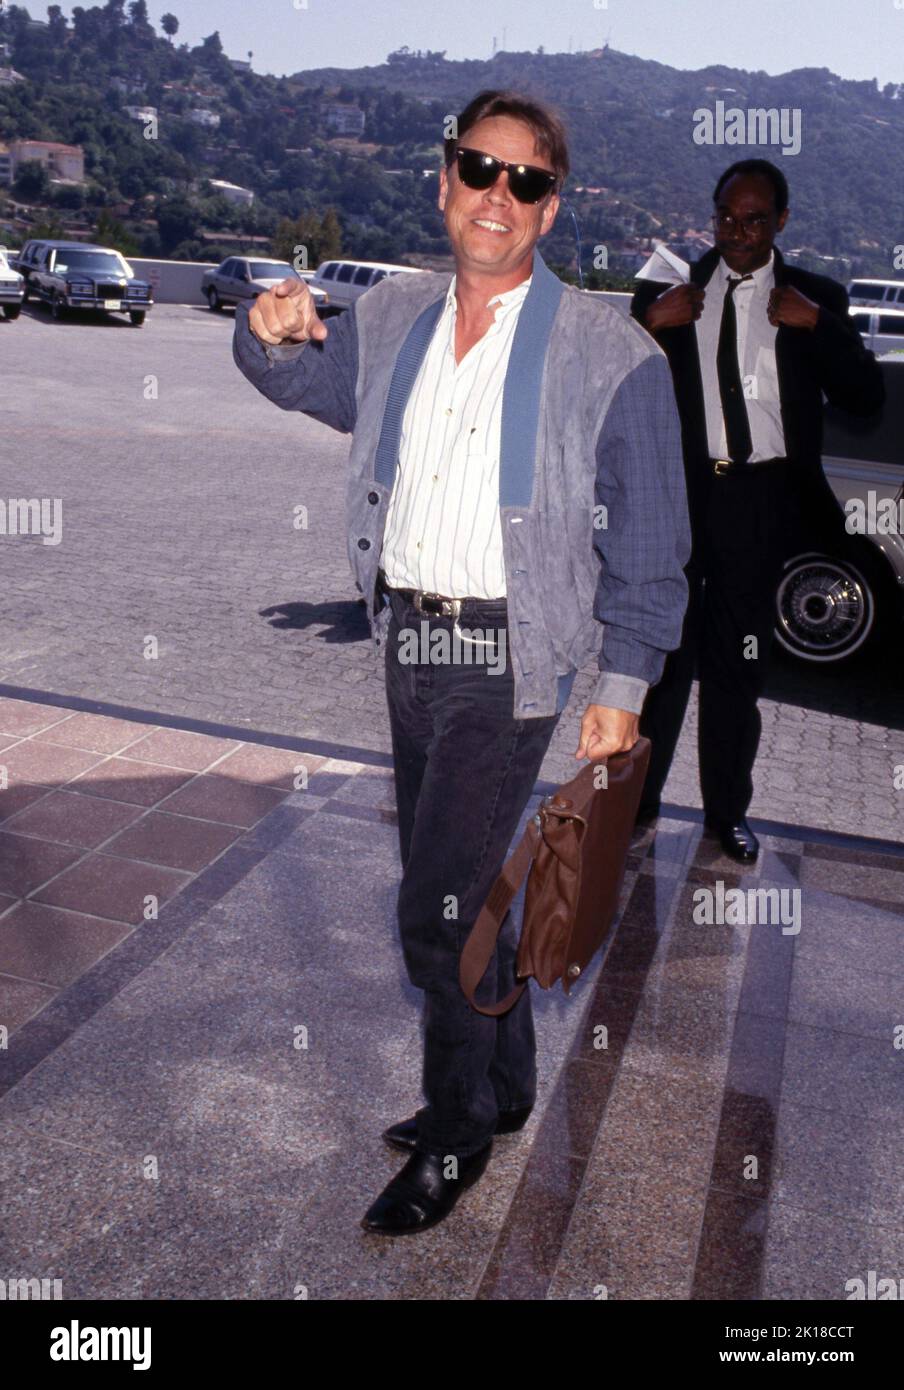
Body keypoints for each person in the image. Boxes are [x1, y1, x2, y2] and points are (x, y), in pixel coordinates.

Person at [233, 89, 690, 1236]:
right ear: (443, 181)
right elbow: (311, 379)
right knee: (474, 891)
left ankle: (452, 1134)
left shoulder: (604, 346)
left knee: (437, 914)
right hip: (408, 641)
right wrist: (265, 331)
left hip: (506, 655)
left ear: (550, 208)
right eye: (479, 171)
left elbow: (650, 532)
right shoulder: (392, 314)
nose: (498, 196)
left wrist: (622, 686)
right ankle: (502, 1082)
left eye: (525, 181)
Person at [631, 158, 885, 863]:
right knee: (664, 659)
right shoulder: (666, 291)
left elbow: (869, 400)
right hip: (682, 494)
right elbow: (616, 393)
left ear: (782, 223)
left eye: (755, 221)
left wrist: (821, 329)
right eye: (727, 218)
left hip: (761, 498)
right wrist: (652, 326)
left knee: (739, 664)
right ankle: (637, 803)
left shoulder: (816, 297)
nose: (738, 234)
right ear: (712, 215)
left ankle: (727, 815)